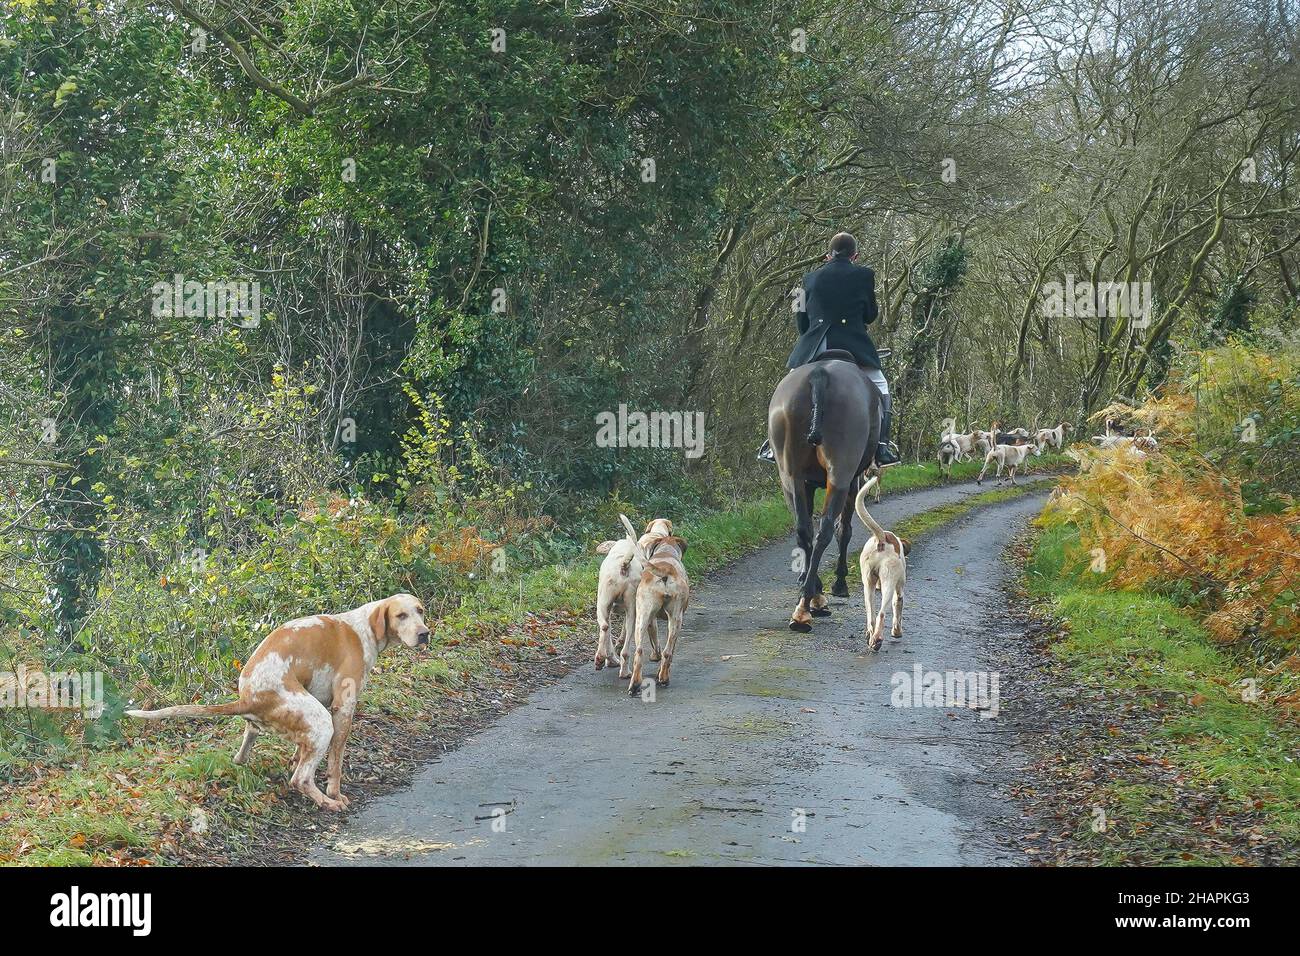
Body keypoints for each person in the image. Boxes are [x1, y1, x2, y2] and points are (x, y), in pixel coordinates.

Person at [758, 231, 899, 466]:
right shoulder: (865, 276)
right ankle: (882, 448)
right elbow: (871, 315)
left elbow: (800, 322)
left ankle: (772, 445)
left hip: (814, 347)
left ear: (827, 256)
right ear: (855, 255)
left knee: (786, 388)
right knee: (882, 386)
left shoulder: (807, 279)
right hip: (854, 347)